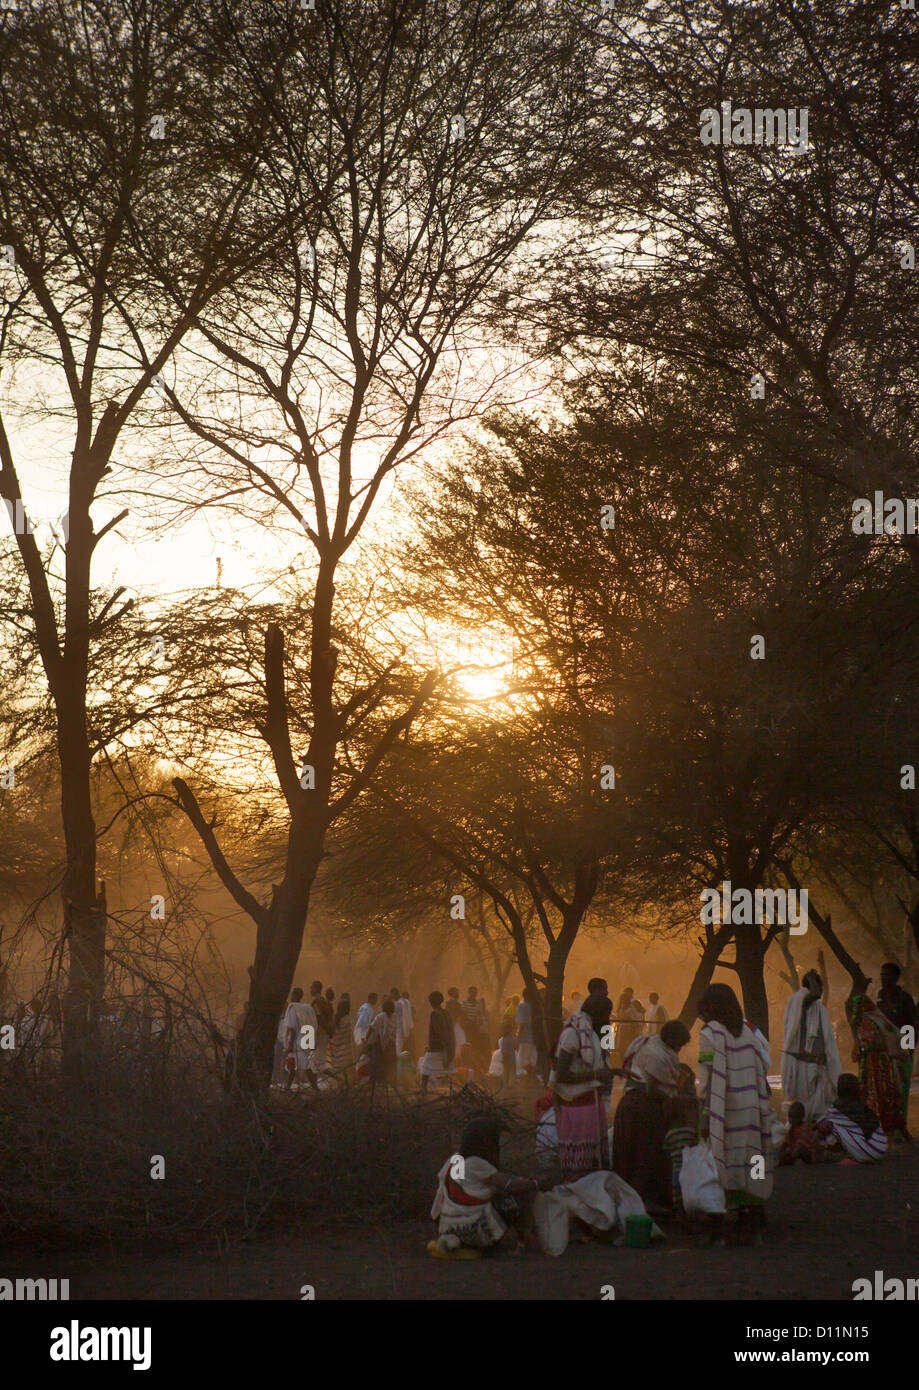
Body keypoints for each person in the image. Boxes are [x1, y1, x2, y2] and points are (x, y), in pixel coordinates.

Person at [697, 983, 774, 1245]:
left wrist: (703, 1112)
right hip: (751, 1111)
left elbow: (706, 1079)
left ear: (711, 1008)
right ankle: (755, 1230)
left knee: (717, 1166)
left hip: (723, 1113)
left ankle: (717, 1233)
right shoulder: (748, 1032)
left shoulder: (709, 1034)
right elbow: (762, 1066)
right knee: (752, 1164)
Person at [430, 1114, 541, 1256]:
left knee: (498, 1196)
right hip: (470, 1232)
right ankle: (519, 1246)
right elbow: (510, 1185)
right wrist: (537, 1183)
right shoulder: (476, 1163)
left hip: (450, 1229)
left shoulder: (454, 1159)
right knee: (515, 1199)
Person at [612, 1020, 692, 1213]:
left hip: (629, 1105)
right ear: (673, 1040)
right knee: (645, 1155)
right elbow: (654, 1089)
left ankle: (628, 1201)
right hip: (644, 1109)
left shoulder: (646, 1042)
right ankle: (641, 1203)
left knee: (628, 1154)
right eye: (679, 1044)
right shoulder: (659, 1056)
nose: (679, 1049)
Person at [551, 992, 615, 1182]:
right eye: (606, 1015)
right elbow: (561, 1074)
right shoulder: (574, 1032)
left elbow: (606, 1055)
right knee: (579, 1163)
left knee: (592, 1159)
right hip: (576, 1105)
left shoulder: (595, 1032)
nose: (608, 1019)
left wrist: (612, 1072)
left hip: (591, 1100)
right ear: (596, 1013)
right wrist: (597, 1075)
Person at [846, 991, 909, 1138]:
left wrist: (861, 1048)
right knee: (888, 1095)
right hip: (881, 1065)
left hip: (875, 1066)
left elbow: (874, 1043)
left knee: (879, 1095)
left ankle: (882, 1132)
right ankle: (894, 1130)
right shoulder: (877, 1019)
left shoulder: (866, 1021)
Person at [781, 970, 841, 1121]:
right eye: (820, 986)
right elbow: (815, 994)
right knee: (806, 1111)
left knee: (822, 1112)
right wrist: (810, 976)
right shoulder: (801, 1001)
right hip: (805, 1065)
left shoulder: (818, 1008)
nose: (821, 990)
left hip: (820, 1065)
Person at [815, 1073, 888, 1162]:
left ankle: (842, 1155)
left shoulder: (838, 1109)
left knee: (828, 1126)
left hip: (869, 1152)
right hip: (881, 1146)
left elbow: (819, 1123)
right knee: (835, 1125)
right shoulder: (862, 1105)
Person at [878, 962, 916, 1120]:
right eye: (882, 975)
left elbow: (911, 1027)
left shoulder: (905, 999)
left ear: (895, 977)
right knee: (885, 1092)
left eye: (886, 975)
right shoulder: (880, 997)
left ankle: (900, 1128)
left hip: (901, 1053)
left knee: (901, 1091)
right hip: (883, 1052)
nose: (883, 978)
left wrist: (906, 1054)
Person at [663, 1091, 700, 1218]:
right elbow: (696, 1147)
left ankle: (679, 1216)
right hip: (690, 1171)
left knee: (677, 1196)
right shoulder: (690, 1132)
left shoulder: (669, 1135)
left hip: (676, 1171)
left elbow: (666, 1152)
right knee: (689, 1195)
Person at [419, 990, 455, 1092]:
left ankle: (423, 1090)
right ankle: (452, 1090)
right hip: (447, 1046)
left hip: (436, 1047)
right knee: (448, 1070)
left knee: (425, 1069)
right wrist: (449, 1047)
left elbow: (439, 1031)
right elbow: (449, 1031)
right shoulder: (446, 1013)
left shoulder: (434, 1014)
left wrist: (433, 1045)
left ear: (431, 1002)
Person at [284, 987, 318, 1092]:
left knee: (301, 1066)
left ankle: (315, 1088)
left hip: (297, 1042)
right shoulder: (308, 1008)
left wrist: (289, 1045)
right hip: (307, 1040)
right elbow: (314, 1025)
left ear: (294, 995)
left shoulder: (293, 1008)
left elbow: (292, 1029)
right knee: (304, 1065)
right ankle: (288, 1088)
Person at [366, 996, 398, 1093]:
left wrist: (367, 1040)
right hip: (390, 1043)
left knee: (376, 1062)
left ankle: (377, 1081)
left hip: (379, 1042)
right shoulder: (394, 1017)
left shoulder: (381, 1016)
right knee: (389, 1063)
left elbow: (372, 1028)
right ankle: (388, 1081)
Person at [778, 1101, 818, 1165]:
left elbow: (802, 1144)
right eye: (789, 1116)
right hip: (795, 1152)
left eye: (794, 1117)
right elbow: (786, 1141)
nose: (791, 1119)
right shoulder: (792, 1127)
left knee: (797, 1152)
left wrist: (792, 1151)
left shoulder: (804, 1128)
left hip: (808, 1155)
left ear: (801, 1117)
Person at [515, 985, 540, 1079]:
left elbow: (522, 1024)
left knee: (522, 1060)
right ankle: (532, 1078)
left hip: (525, 1037)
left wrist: (518, 1037)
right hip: (535, 1037)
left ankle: (524, 1080)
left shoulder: (522, 1006)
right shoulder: (536, 1006)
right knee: (532, 1060)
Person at [461, 986, 489, 1068]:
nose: (474, 994)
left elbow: (479, 1015)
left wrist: (478, 1024)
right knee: (467, 1044)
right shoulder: (464, 1003)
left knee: (475, 1045)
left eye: (475, 993)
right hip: (467, 1027)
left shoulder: (478, 1004)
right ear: (469, 993)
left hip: (475, 1028)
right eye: (472, 993)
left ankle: (474, 1062)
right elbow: (463, 1015)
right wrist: (467, 1023)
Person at [310, 981, 333, 1074]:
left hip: (320, 1033)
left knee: (316, 1063)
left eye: (311, 988)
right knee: (318, 1062)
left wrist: (327, 1029)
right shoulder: (322, 1000)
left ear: (316, 988)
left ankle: (337, 1079)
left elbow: (319, 1017)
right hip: (322, 1033)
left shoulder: (317, 1000)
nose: (310, 990)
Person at [329, 993, 354, 1076]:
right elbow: (349, 1034)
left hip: (335, 1047)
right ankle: (344, 1084)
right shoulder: (347, 1019)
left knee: (337, 1068)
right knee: (345, 1069)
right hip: (345, 1048)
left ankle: (339, 1083)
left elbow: (332, 1032)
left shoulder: (335, 1018)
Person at [499, 1018, 518, 1087]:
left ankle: (505, 1084)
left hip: (506, 1058)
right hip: (512, 1058)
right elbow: (516, 1047)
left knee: (505, 1071)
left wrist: (503, 1058)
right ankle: (511, 1084)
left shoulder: (504, 1039)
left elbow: (504, 1050)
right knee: (512, 1072)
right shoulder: (514, 1038)